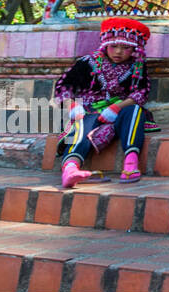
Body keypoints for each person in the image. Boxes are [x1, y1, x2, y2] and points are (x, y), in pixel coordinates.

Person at [54, 17, 152, 188]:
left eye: (125, 48)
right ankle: (70, 168)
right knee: (80, 125)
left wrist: (117, 107)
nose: (118, 52)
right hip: (90, 109)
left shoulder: (138, 66)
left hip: (121, 110)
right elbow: (64, 86)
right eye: (114, 46)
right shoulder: (87, 63)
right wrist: (72, 105)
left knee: (135, 111)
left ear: (135, 49)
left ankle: (131, 163)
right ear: (105, 44)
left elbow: (141, 93)